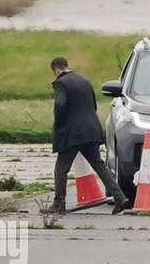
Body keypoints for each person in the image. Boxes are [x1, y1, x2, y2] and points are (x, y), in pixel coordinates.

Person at [50, 57, 127, 214]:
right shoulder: (84, 81)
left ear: (56, 70)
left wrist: (59, 124)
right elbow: (93, 105)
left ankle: (59, 203)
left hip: (72, 132)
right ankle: (120, 198)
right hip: (91, 129)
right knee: (98, 164)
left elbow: (60, 105)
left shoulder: (60, 83)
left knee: (61, 169)